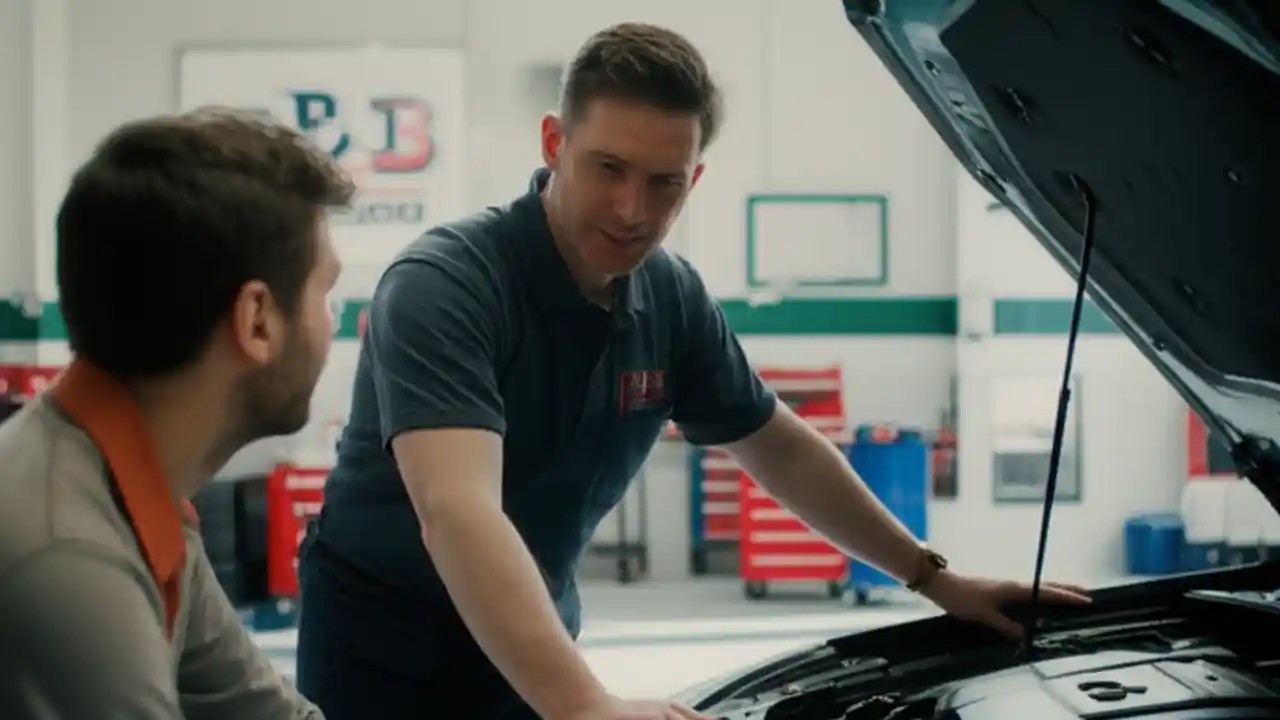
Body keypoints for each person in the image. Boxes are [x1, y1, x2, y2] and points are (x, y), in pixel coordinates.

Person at [294, 21, 1091, 720]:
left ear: (694, 179)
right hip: (384, 658)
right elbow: (456, 512)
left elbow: (776, 445)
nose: (633, 209)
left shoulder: (670, 296)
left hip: (534, 635)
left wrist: (934, 577)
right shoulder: (447, 284)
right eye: (608, 168)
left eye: (664, 182)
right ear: (552, 144)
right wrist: (581, 704)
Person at [0, 108, 352, 718]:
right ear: (258, 320)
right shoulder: (71, 561)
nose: (334, 320)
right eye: (326, 292)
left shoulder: (133, 498)